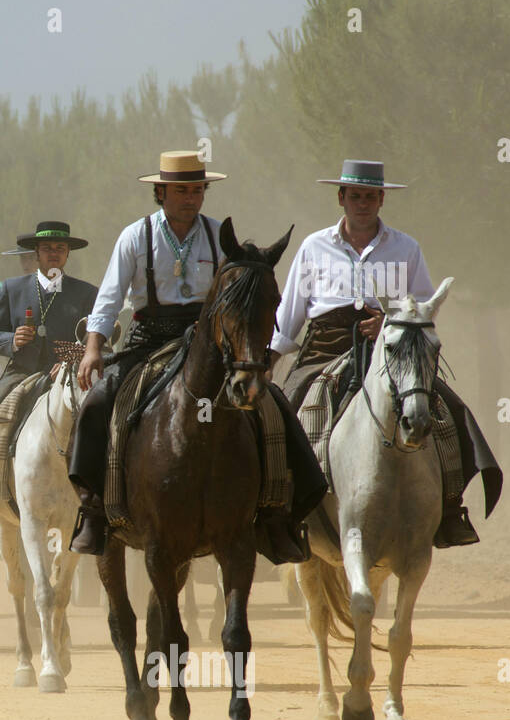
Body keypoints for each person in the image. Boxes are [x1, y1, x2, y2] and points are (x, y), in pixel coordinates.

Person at [67, 150, 324, 560]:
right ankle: (94, 508)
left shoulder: (218, 237)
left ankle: (278, 512)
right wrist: (94, 347)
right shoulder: (137, 236)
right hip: (149, 338)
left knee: (272, 405)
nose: (191, 197)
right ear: (161, 192)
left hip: (209, 343)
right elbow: (110, 297)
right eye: (182, 190)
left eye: (197, 190)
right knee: (98, 401)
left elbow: (240, 301)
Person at [270, 159, 501, 546]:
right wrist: (270, 360)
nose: (362, 203)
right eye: (355, 195)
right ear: (341, 197)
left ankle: (448, 507)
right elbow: (290, 311)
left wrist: (391, 323)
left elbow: (425, 307)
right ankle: (280, 511)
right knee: (285, 409)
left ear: (381, 200)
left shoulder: (406, 247)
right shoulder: (314, 246)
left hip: (393, 348)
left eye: (370, 196)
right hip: (325, 346)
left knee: (446, 409)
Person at [0, 221, 97, 532]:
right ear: (37, 253)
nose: (53, 254)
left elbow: (96, 338)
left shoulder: (86, 293)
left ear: (67, 253)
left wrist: (70, 359)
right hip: (21, 372)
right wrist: (13, 340)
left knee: (105, 418)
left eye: (59, 248)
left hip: (67, 375)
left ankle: (106, 499)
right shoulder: (12, 289)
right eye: (47, 249)